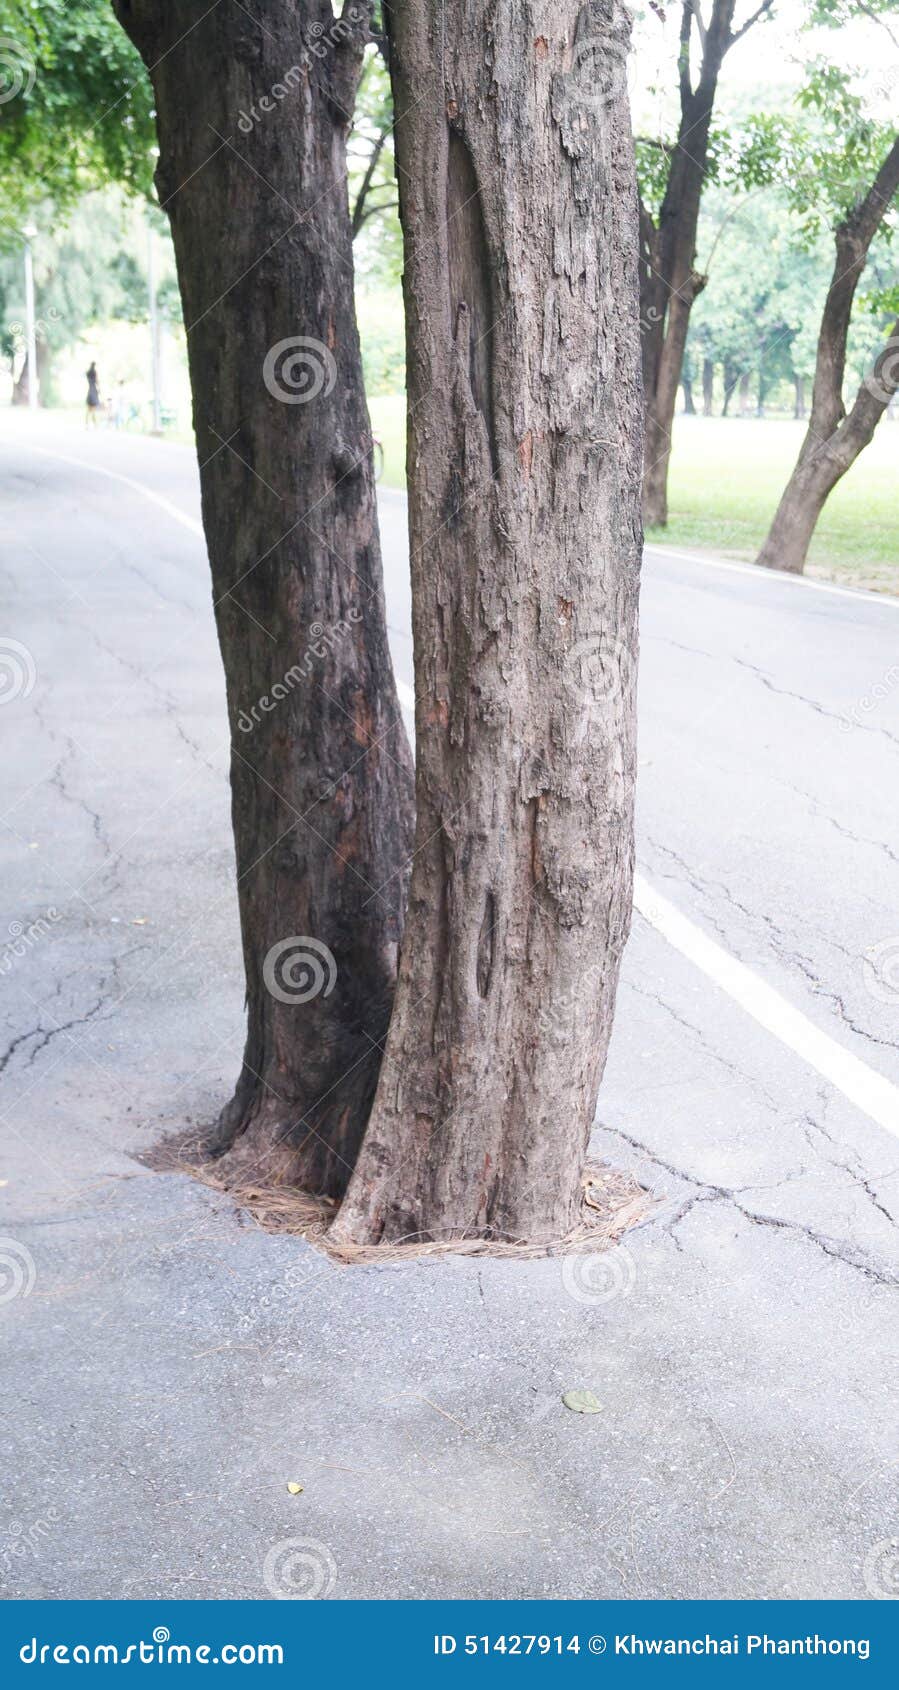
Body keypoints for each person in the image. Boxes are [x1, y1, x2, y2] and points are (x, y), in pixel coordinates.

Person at [85, 362, 101, 428]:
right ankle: (95, 425)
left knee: (88, 410)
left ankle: (87, 425)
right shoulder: (95, 372)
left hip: (89, 391)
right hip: (94, 391)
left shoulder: (88, 373)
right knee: (93, 410)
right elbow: (97, 382)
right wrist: (99, 390)